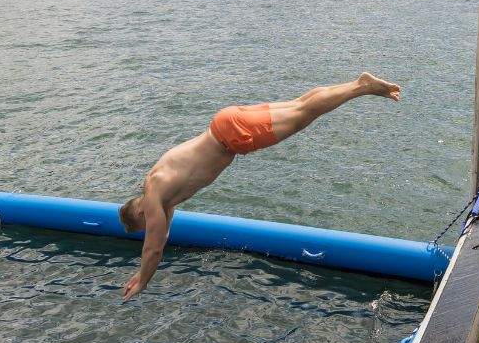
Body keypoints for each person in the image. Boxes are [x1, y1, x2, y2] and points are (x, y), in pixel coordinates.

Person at [116, 73, 401, 298]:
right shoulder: (162, 190)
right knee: (301, 104)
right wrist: (152, 250)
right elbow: (162, 236)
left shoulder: (154, 196)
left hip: (233, 135)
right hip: (227, 124)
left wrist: (142, 280)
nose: (152, 225)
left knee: (304, 113)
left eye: (145, 224)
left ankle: (362, 87)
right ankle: (357, 83)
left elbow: (153, 248)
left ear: (140, 213)